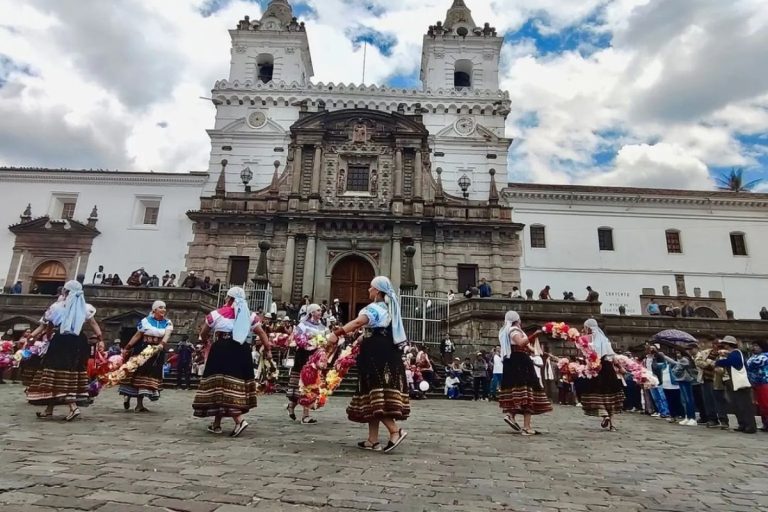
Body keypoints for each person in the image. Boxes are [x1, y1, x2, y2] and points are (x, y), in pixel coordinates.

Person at [327, 276, 410, 453]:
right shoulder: (389, 308)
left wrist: (338, 333)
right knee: (376, 395)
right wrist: (361, 337)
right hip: (386, 353)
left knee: (374, 392)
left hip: (376, 356)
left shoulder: (374, 308)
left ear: (378, 291)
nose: (368, 290)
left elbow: (358, 322)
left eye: (371, 288)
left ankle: (395, 431)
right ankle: (372, 440)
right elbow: (375, 330)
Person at [192, 287, 270, 437]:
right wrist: (267, 350)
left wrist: (205, 341)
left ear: (228, 298)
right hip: (242, 350)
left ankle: (239, 420)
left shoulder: (217, 314)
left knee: (220, 385)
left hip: (222, 350)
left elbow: (203, 332)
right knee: (231, 385)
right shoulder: (250, 315)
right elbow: (261, 333)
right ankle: (216, 424)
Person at [26, 281, 101, 420]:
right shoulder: (85, 308)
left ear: (66, 292)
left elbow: (47, 326)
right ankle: (49, 409)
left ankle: (73, 407)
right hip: (79, 341)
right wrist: (100, 338)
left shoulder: (57, 307)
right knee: (71, 373)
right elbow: (94, 324)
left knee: (57, 374)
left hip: (61, 342)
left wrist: (39, 337)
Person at [498, 311, 552, 435]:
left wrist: (535, 349)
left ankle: (511, 415)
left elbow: (527, 346)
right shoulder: (513, 330)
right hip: (520, 362)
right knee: (528, 391)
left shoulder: (506, 331)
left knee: (518, 391)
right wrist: (534, 334)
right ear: (517, 320)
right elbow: (521, 343)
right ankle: (526, 427)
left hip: (513, 362)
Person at [119, 301, 172, 412]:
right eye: (160, 308)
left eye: (164, 308)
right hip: (143, 350)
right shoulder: (145, 321)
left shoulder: (168, 323)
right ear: (154, 310)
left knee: (146, 377)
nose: (163, 310)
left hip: (156, 352)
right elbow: (137, 335)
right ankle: (128, 397)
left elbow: (166, 335)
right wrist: (127, 347)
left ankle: (139, 404)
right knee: (137, 374)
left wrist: (161, 345)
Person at [286, 304, 327, 424]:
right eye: (318, 310)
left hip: (315, 356)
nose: (320, 312)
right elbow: (297, 338)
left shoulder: (322, 326)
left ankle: (292, 407)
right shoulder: (302, 325)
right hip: (304, 355)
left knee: (310, 383)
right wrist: (309, 343)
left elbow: (327, 339)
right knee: (303, 383)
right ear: (311, 312)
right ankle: (305, 415)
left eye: (320, 310)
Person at [579, 319, 623, 431]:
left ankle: (605, 415)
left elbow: (585, 353)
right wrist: (620, 367)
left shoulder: (586, 339)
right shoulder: (604, 339)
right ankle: (612, 425)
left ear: (587, 327)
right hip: (608, 368)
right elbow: (612, 356)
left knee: (597, 393)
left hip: (596, 368)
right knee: (611, 395)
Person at [716, 336, 757, 434]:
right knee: (738, 406)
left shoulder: (736, 353)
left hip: (740, 384)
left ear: (728, 344)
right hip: (736, 383)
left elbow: (734, 362)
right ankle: (743, 424)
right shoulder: (734, 353)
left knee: (744, 406)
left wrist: (719, 362)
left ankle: (749, 426)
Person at [659, 347, 698, 426]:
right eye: (676, 353)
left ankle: (692, 418)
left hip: (686, 380)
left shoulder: (685, 360)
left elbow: (676, 369)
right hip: (681, 380)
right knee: (684, 400)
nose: (677, 355)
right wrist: (665, 357)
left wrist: (673, 369)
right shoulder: (681, 360)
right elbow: (675, 363)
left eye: (679, 353)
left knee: (688, 399)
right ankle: (688, 417)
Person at [746, 340, 768, 431]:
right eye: (753, 345)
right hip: (757, 384)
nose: (754, 347)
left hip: (764, 383)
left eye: (756, 346)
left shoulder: (765, 356)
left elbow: (750, 364)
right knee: (761, 405)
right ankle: (765, 423)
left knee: (765, 404)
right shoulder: (755, 356)